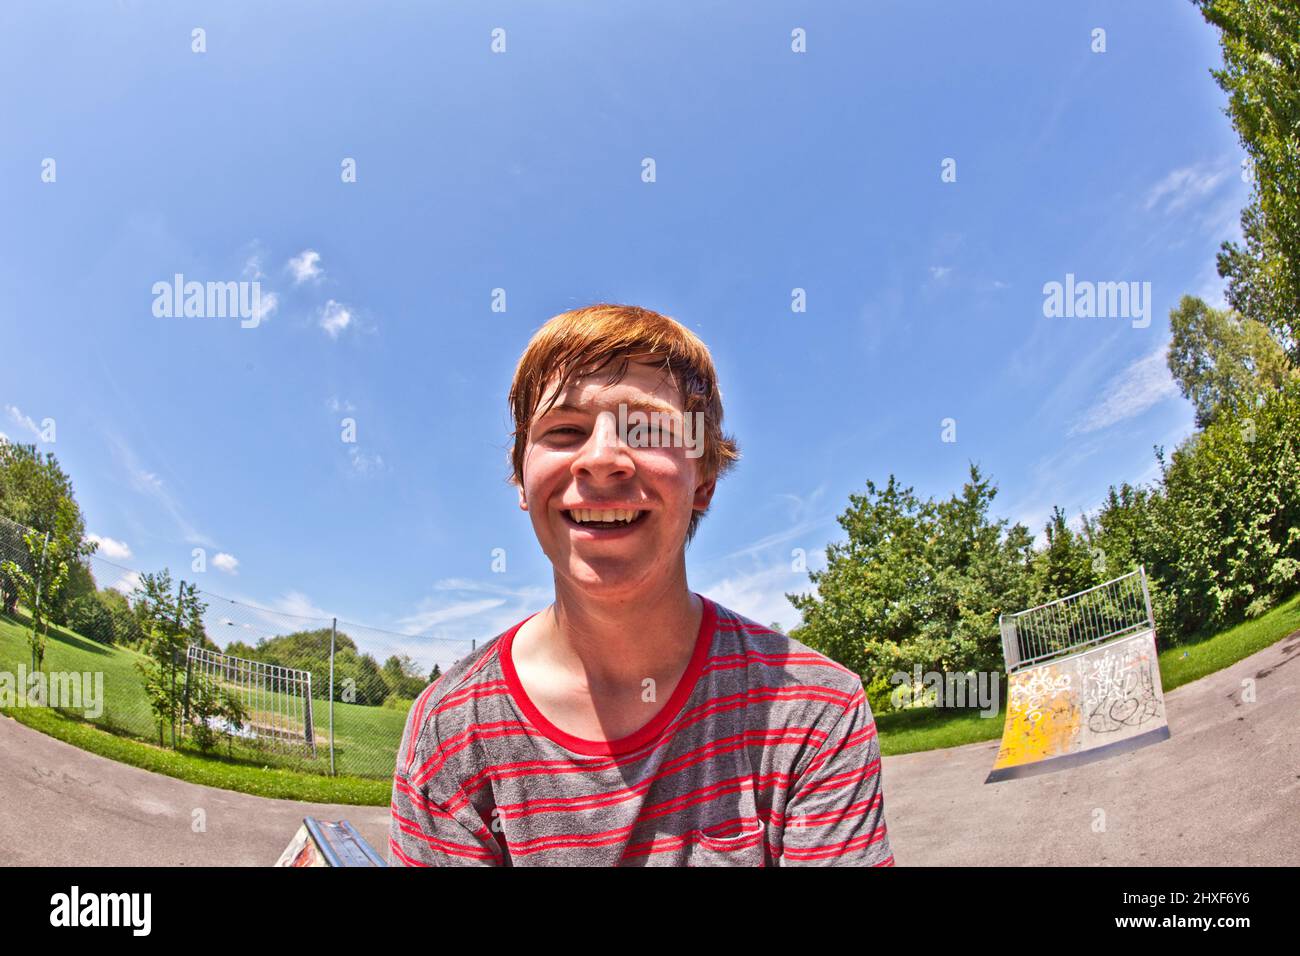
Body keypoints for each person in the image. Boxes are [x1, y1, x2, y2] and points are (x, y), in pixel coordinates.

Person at [388, 303, 894, 866]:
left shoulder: (814, 708)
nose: (602, 460)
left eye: (647, 429)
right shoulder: (449, 732)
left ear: (703, 480)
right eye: (564, 430)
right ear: (522, 481)